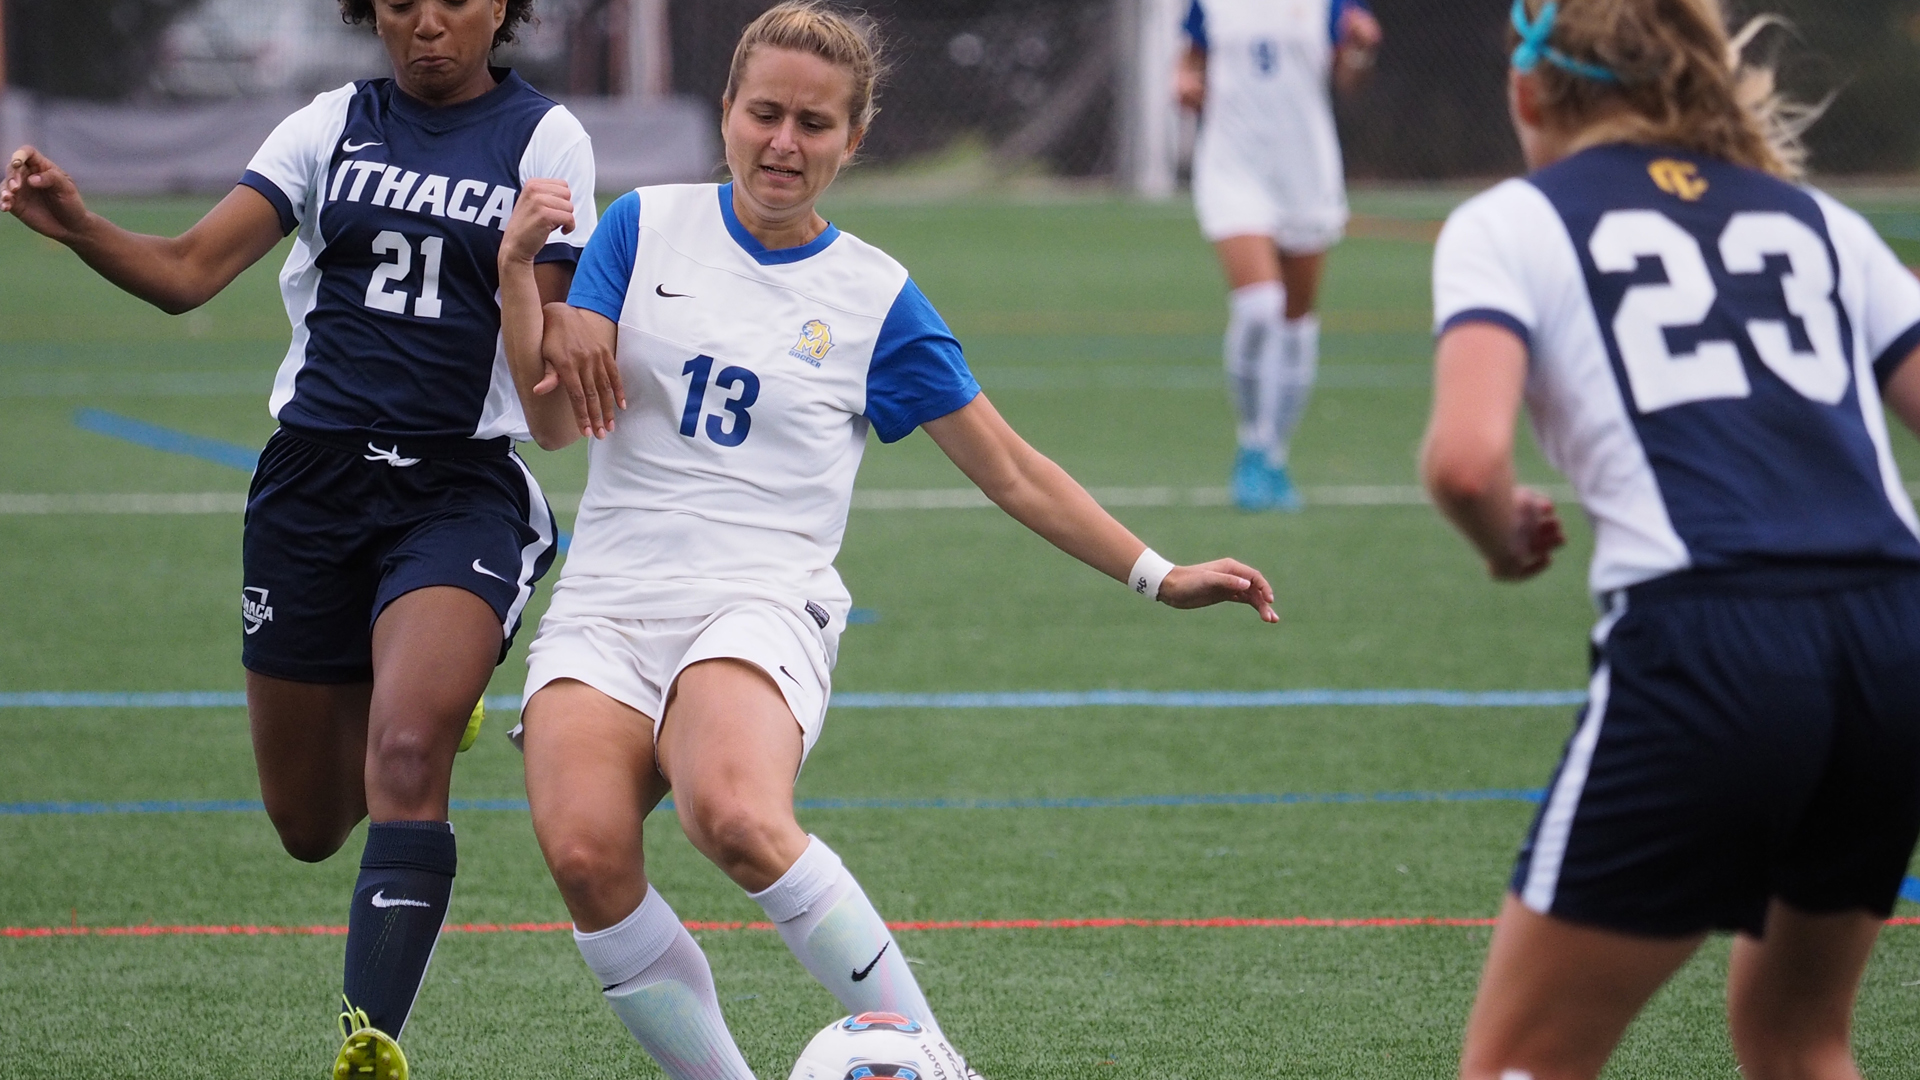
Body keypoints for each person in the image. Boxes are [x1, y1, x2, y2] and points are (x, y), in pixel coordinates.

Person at [493, 4, 1278, 1077]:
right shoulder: (638, 229)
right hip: (610, 603)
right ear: (724, 112)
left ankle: (940, 1062)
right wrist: (517, 282)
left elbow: (1009, 466)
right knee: (585, 855)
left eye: (814, 124)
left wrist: (1159, 574)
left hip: (760, 599)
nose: (783, 142)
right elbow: (546, 425)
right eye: (763, 113)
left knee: (733, 814)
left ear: (853, 138)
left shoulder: (875, 297)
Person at [3, 2, 606, 1077]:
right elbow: (189, 273)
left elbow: (549, 365)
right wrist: (80, 224)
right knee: (310, 824)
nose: (429, 23)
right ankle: (411, 680)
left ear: (504, 10)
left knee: (410, 756)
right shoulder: (328, 124)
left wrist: (521, 266)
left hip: (457, 487)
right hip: (311, 485)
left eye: (457, 0)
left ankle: (367, 1042)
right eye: (400, 2)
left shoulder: (544, 139)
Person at [1421, 2, 1920, 1078]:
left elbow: (1466, 461)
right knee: (1800, 1041)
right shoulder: (1819, 221)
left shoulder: (1511, 223)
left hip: (1713, 634)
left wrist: (1503, 537)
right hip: (1895, 637)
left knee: (1521, 1060)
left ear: (1529, 90)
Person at [1176, 0, 1382, 511]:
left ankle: (1275, 454)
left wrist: (1359, 51)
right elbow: (1189, 63)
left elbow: (1348, 82)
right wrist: (1182, 84)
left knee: (1296, 322)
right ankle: (1251, 443)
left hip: (1304, 170)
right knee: (1259, 307)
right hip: (1233, 167)